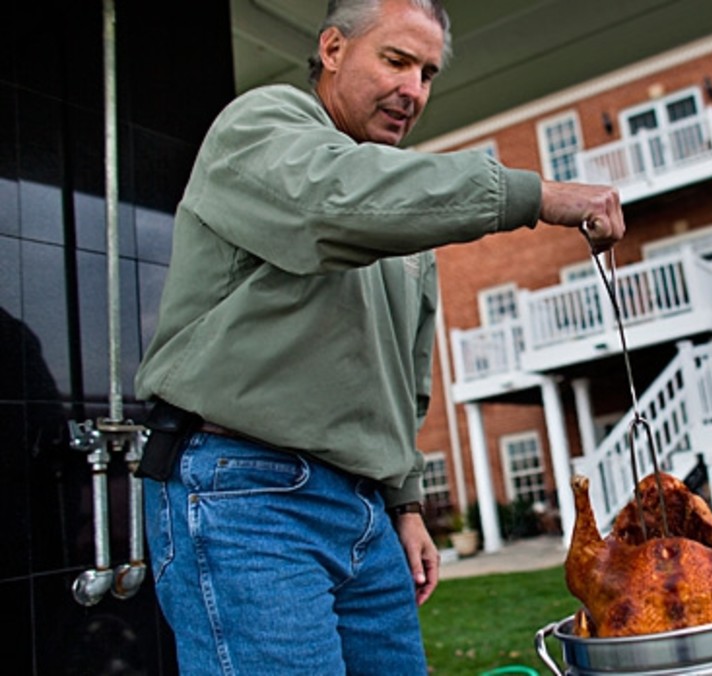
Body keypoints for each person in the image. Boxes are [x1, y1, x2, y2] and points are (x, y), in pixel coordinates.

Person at [133, 0, 625, 673]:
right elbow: (330, 203)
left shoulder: (401, 213)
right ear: (333, 49)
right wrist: (534, 195)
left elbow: (401, 374)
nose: (413, 90)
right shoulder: (263, 124)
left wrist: (407, 502)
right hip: (244, 492)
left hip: (364, 510)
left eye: (426, 74)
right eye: (396, 61)